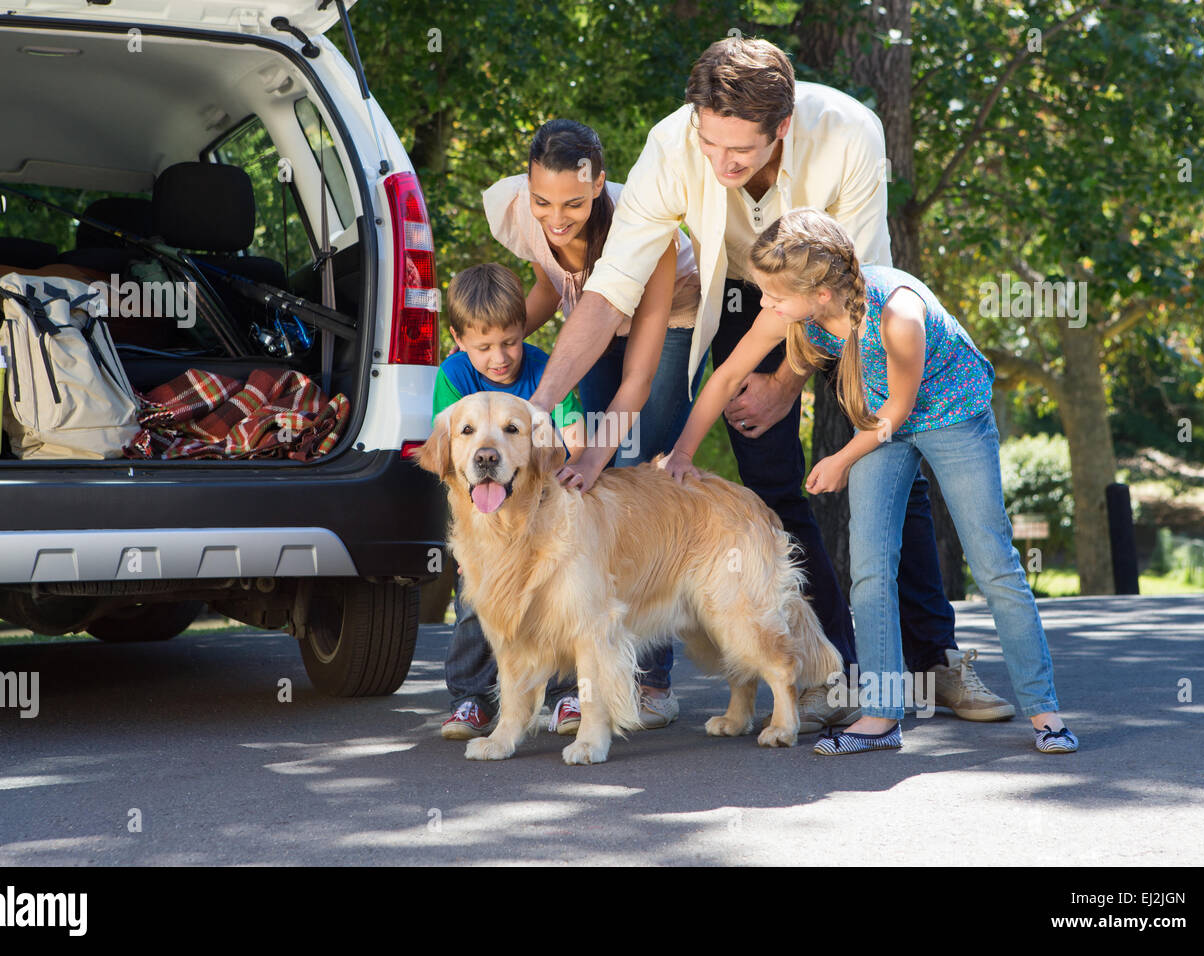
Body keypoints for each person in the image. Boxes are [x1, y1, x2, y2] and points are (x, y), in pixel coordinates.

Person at [527, 36, 1013, 730]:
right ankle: (826, 677)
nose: (721, 164)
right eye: (709, 144)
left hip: (837, 302)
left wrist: (789, 378)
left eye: (740, 153)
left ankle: (934, 658)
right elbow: (608, 293)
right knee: (771, 484)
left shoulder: (848, 134)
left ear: (781, 128)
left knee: (890, 462)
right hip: (734, 295)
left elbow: (858, 294)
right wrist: (538, 405)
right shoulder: (671, 146)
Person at [663, 207, 1078, 755]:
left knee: (995, 565)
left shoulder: (897, 313)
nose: (765, 305)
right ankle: (881, 717)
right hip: (880, 424)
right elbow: (727, 377)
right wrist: (682, 455)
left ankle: (1045, 713)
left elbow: (899, 410)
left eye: (774, 296)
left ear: (820, 294)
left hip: (951, 415)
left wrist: (839, 460)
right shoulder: (798, 311)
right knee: (870, 570)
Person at [482, 118, 703, 728]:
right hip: (591, 326)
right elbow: (552, 287)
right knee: (587, 491)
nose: (556, 216)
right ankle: (587, 667)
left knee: (633, 471)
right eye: (544, 200)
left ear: (601, 186)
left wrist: (594, 455)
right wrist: (493, 348)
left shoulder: (647, 230)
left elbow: (637, 378)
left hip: (667, 332)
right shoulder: (522, 211)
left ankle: (651, 680)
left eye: (575, 203)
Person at [433, 263, 587, 740]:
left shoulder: (546, 369)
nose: (499, 359)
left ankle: (567, 698)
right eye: (483, 347)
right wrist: (468, 544)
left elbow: (577, 443)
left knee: (556, 602)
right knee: (476, 603)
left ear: (525, 328)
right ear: (458, 339)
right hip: (484, 522)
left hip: (543, 516)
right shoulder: (454, 375)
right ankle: (471, 699)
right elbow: (449, 461)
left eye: (510, 341)